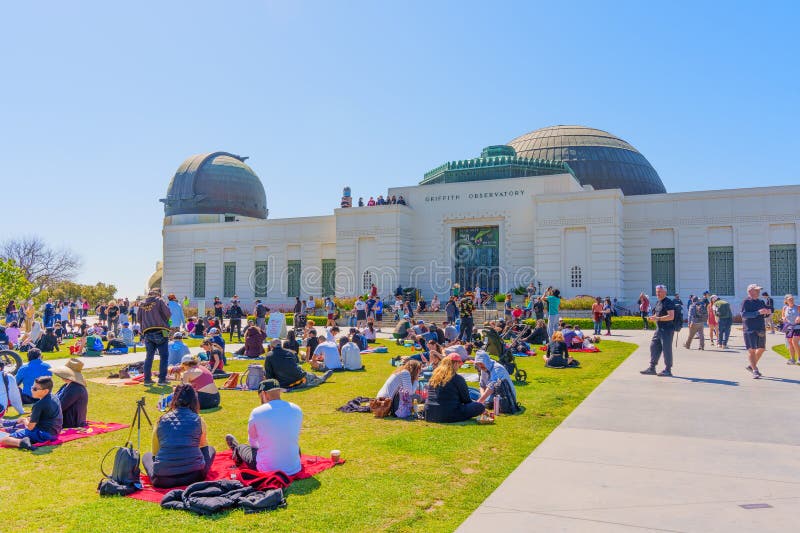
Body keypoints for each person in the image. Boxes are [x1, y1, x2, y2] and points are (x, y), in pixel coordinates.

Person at [141, 384, 216, 488]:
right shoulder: (199, 420)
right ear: (194, 400)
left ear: (174, 399)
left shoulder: (161, 421)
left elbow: (155, 453)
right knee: (210, 449)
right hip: (195, 476)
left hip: (163, 480)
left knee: (146, 456)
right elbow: (203, 448)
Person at [225, 379, 303, 475]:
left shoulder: (257, 412)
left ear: (263, 394)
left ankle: (236, 449)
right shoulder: (296, 409)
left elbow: (253, 442)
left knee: (242, 448)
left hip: (266, 468)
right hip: (294, 467)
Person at [0, 376, 62, 450]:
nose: (32, 390)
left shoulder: (39, 404)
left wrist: (24, 421)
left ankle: (22, 442)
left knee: (4, 440)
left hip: (44, 434)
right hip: (55, 432)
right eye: (32, 387)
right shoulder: (54, 397)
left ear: (45, 391)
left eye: (35, 389)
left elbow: (30, 427)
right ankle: (5, 424)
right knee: (20, 428)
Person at [424, 355, 485, 423]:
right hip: (448, 414)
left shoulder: (434, 377)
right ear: (455, 364)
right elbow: (466, 400)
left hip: (429, 414)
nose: (459, 367)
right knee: (480, 406)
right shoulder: (457, 378)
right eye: (459, 365)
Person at [640, 285, 676, 377]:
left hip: (667, 329)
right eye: (656, 292)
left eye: (659, 291)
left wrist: (658, 319)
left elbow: (671, 316)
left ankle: (668, 370)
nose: (658, 293)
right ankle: (652, 368)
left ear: (665, 292)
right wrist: (652, 317)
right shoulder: (658, 302)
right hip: (659, 329)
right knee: (653, 346)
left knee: (666, 349)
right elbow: (657, 314)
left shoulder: (668, 302)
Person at [139, 288, 172, 385]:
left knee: (149, 357)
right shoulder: (159, 300)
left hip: (147, 331)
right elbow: (168, 314)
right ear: (158, 294)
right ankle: (162, 380)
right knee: (164, 356)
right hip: (161, 330)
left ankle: (147, 380)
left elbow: (138, 318)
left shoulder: (142, 304)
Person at [741, 283, 771, 379]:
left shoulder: (760, 302)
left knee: (761, 349)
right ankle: (755, 370)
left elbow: (765, 313)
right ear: (750, 291)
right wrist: (757, 312)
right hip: (749, 329)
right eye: (756, 290)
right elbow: (744, 314)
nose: (759, 292)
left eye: (759, 290)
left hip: (760, 328)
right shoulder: (746, 302)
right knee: (752, 350)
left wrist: (767, 312)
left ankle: (751, 366)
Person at [53, 358, 88, 428]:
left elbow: (61, 406)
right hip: (65, 418)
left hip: (71, 422)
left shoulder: (75, 389)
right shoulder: (66, 385)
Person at [782, 294, 800, 364]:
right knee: (790, 343)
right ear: (786, 301)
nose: (791, 301)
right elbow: (783, 316)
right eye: (790, 299)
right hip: (789, 328)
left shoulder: (798, 307)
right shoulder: (785, 308)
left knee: (795, 342)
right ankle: (792, 359)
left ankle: (799, 358)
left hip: (797, 327)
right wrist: (783, 318)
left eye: (792, 299)